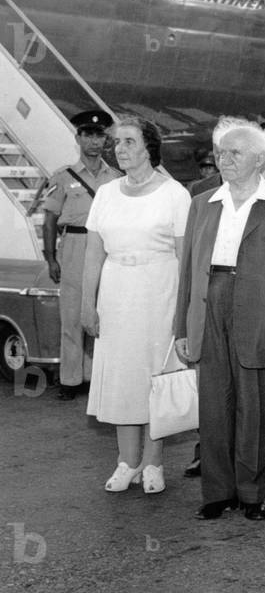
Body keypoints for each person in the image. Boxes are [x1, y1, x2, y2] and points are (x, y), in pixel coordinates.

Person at [175, 124, 265, 521]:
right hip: (209, 302)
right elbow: (187, 271)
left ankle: (252, 494)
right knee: (213, 405)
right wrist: (181, 327)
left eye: (235, 152)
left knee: (254, 406)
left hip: (259, 310)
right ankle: (217, 493)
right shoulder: (201, 203)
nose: (224, 159)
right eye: (221, 152)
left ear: (259, 159)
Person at [80, 117, 191, 494]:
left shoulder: (174, 194)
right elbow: (93, 253)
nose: (120, 149)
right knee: (122, 379)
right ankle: (127, 462)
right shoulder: (106, 194)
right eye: (117, 143)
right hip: (116, 294)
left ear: (149, 147)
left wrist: (184, 312)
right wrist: (88, 303)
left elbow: (185, 258)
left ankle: (153, 462)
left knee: (154, 379)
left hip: (159, 294)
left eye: (129, 141)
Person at [41, 110, 121, 401]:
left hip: (106, 247)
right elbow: (49, 221)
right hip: (75, 245)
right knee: (73, 314)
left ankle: (94, 377)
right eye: (88, 135)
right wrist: (51, 258)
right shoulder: (63, 177)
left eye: (99, 136)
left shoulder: (116, 178)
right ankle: (71, 379)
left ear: (105, 140)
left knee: (101, 312)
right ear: (78, 138)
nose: (94, 142)